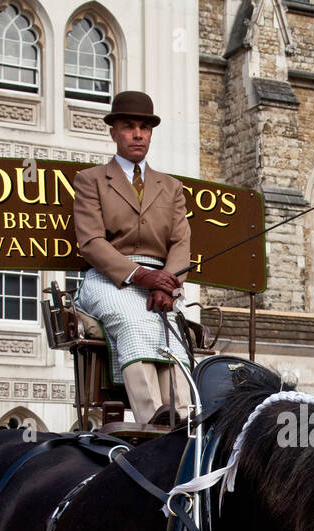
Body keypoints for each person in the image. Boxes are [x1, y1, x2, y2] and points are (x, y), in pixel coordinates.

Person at [73, 89, 192, 424]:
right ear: (113, 132)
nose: (138, 134)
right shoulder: (91, 181)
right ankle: (152, 417)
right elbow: (92, 242)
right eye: (128, 126)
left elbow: (181, 242)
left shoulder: (171, 187)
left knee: (172, 333)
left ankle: (183, 418)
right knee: (134, 321)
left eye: (145, 127)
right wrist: (141, 276)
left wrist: (167, 285)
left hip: (162, 282)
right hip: (109, 279)